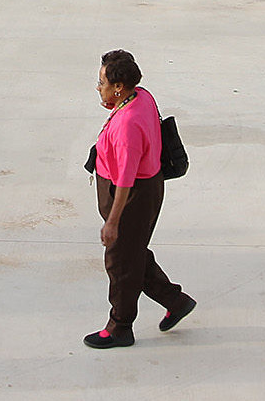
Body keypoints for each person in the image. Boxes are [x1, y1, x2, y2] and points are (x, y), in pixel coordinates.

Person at [85, 49, 193, 349]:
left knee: (120, 263)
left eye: (101, 81)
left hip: (132, 197)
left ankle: (120, 326)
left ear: (118, 86)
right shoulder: (141, 96)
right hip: (144, 189)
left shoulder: (127, 125)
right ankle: (176, 301)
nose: (98, 87)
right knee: (132, 255)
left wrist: (113, 222)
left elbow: (125, 180)